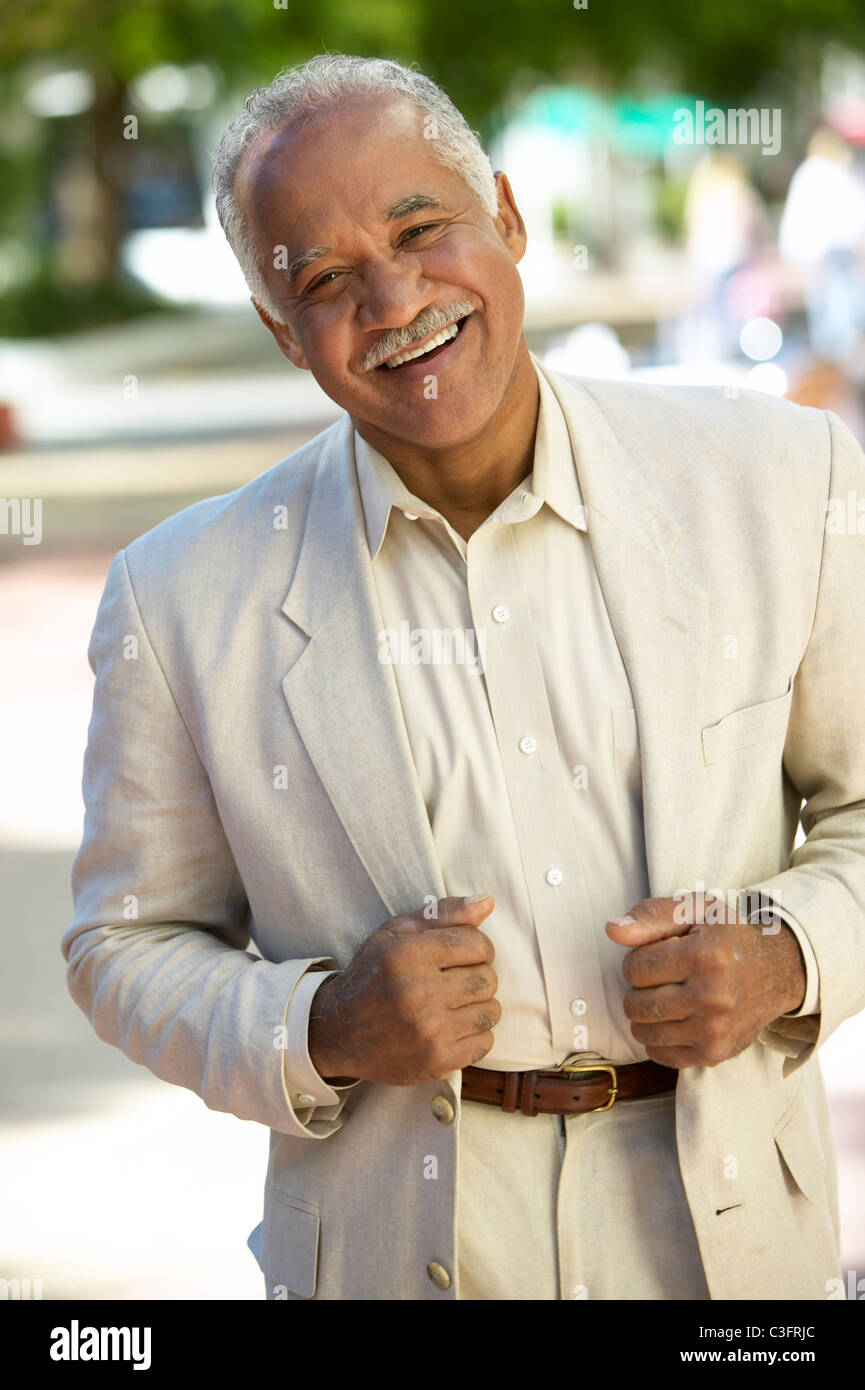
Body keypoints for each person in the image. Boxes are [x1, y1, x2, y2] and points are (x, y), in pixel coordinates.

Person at [63, 54, 865, 1301]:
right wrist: (323, 1026)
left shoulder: (779, 480)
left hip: (731, 1257)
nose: (393, 299)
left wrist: (786, 951)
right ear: (283, 333)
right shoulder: (183, 597)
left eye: (419, 227)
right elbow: (123, 945)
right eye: (323, 280)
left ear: (505, 214)